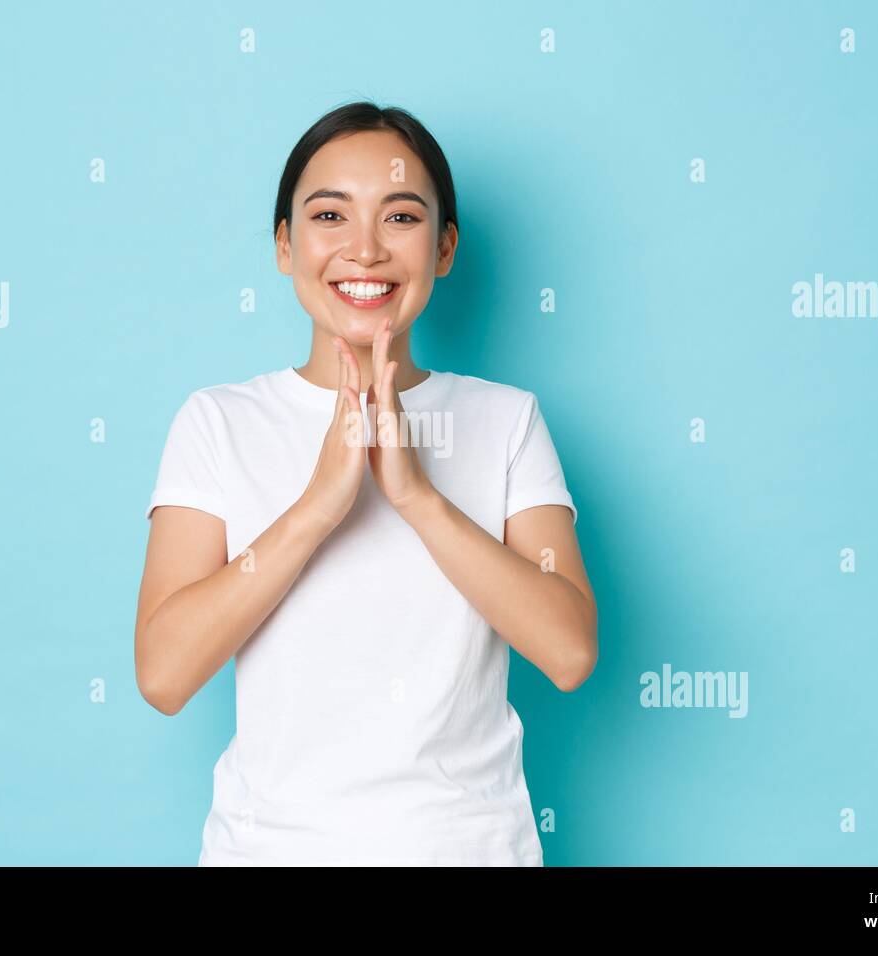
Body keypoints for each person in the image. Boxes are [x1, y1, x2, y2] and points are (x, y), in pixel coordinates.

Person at [135, 101, 598, 866]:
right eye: (329, 215)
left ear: (445, 248)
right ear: (284, 245)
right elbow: (164, 672)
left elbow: (569, 651)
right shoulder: (217, 422)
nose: (364, 250)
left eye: (402, 218)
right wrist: (317, 507)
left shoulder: (506, 420)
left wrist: (419, 497)